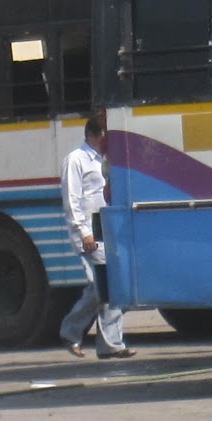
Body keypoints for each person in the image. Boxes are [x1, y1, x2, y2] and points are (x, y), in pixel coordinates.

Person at [59, 112, 135, 359]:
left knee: (112, 286)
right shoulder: (76, 160)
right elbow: (72, 199)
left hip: (107, 228)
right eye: (103, 135)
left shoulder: (106, 160)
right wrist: (83, 233)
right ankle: (70, 332)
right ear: (92, 135)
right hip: (89, 232)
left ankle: (110, 344)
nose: (107, 140)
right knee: (98, 287)